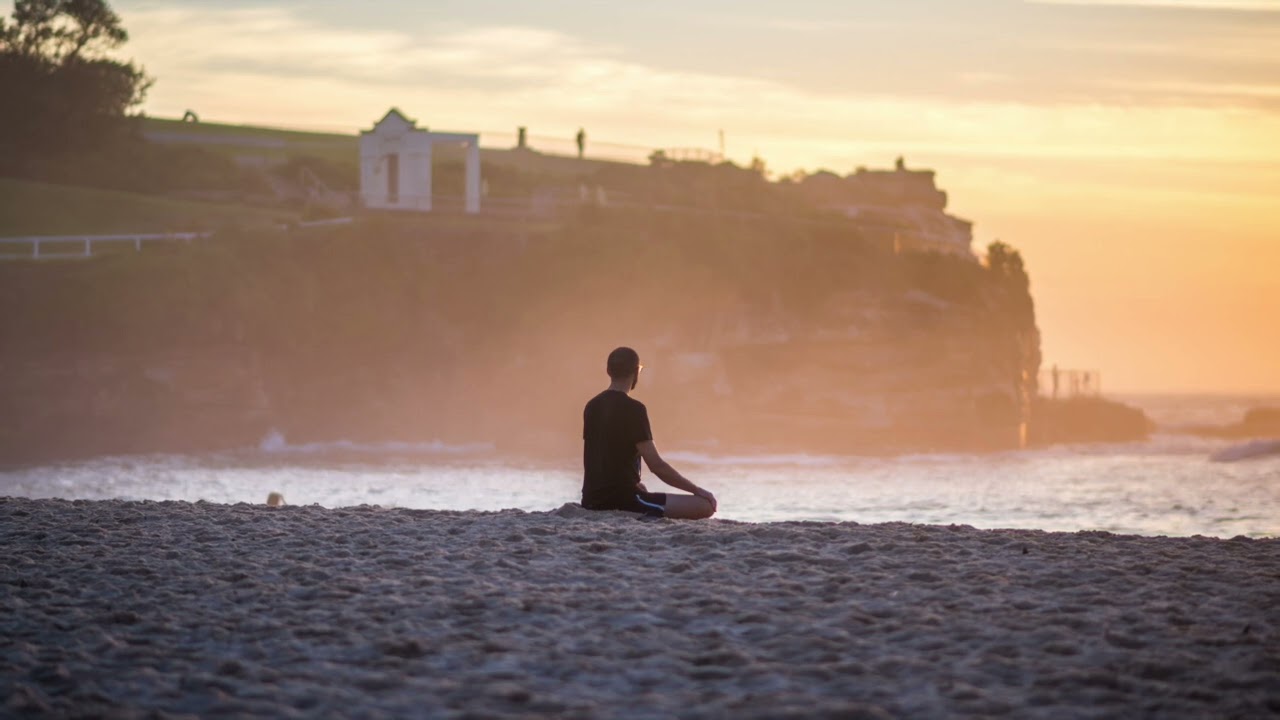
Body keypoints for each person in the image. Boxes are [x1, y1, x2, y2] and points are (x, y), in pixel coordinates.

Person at [581, 347, 716, 520]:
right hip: (621, 501)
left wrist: (634, 483)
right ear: (636, 372)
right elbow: (656, 466)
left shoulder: (592, 406)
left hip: (590, 500)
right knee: (704, 506)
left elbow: (598, 456)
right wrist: (697, 490)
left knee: (643, 490)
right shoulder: (634, 409)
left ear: (608, 371)